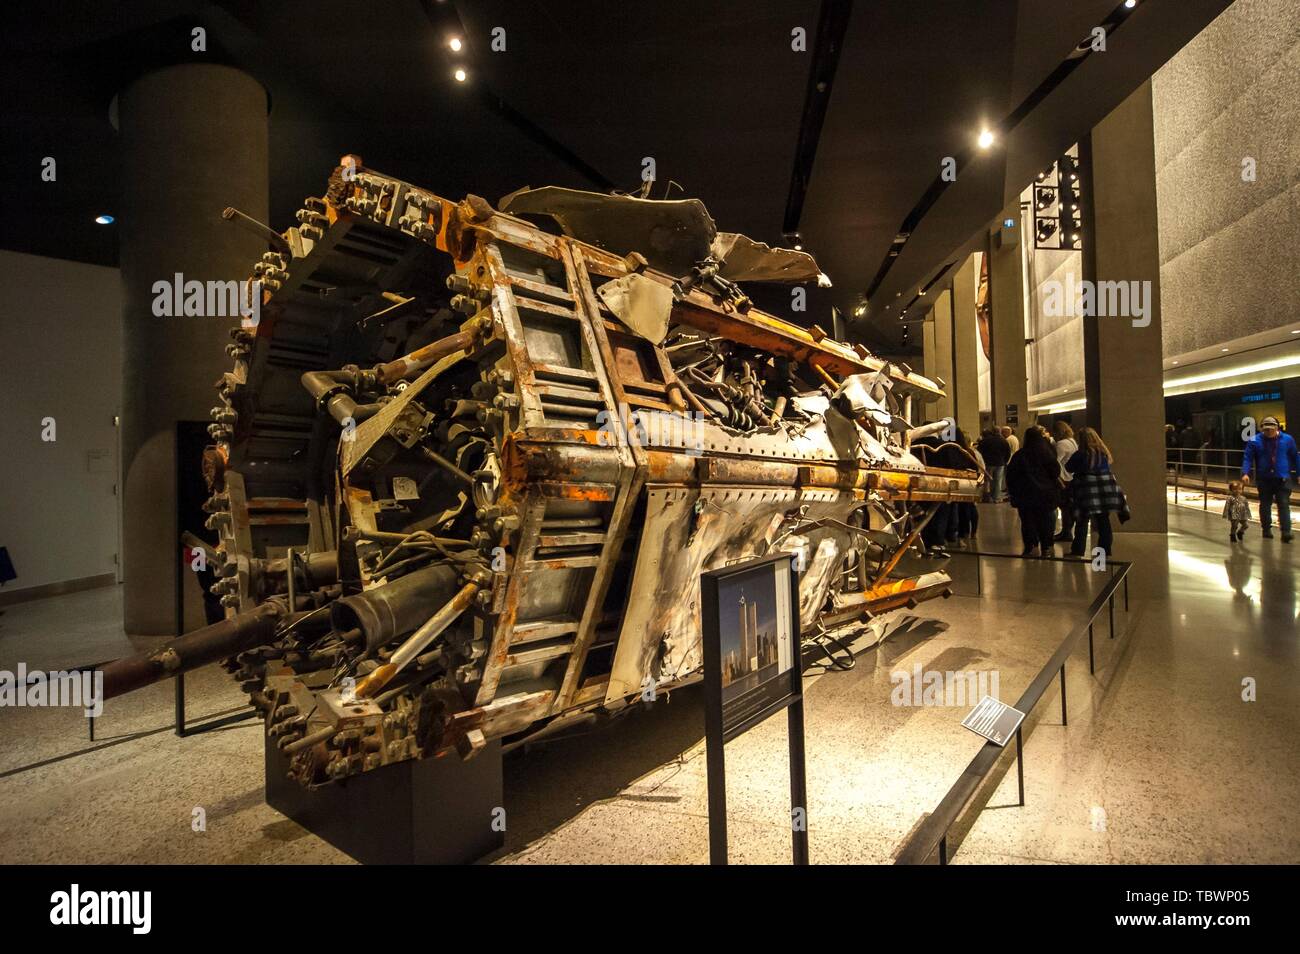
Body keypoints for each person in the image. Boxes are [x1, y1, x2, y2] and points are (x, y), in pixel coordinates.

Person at [1067, 427, 1130, 558]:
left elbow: (1069, 467)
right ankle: (1104, 550)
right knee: (1103, 520)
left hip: (1086, 490)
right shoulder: (1104, 453)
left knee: (1082, 520)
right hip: (1106, 490)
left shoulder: (1080, 454)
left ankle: (1078, 550)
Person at [1240, 415, 1299, 542]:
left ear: (1277, 428)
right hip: (1264, 479)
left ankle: (1286, 532)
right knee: (1265, 505)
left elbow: (1295, 456)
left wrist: (1299, 474)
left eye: (1271, 429)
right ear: (1262, 429)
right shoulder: (1254, 440)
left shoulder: (1287, 439)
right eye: (1266, 430)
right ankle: (1266, 529)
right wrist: (1245, 473)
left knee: (1284, 504)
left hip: (1282, 478)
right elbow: (1248, 457)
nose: (1268, 432)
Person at [1005, 426, 1061, 557]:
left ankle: (1030, 546)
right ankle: (1046, 546)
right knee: (1046, 521)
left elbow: (1011, 475)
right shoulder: (1047, 454)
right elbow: (1055, 472)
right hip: (1045, 494)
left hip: (1025, 494)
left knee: (1027, 522)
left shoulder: (1020, 455)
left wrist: (1013, 491)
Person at [1052, 421, 1078, 542]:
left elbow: (1055, 463)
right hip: (1072, 477)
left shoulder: (1061, 444)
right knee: (1069, 506)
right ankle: (1068, 531)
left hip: (1063, 478)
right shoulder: (1072, 441)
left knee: (1064, 507)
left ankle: (1066, 532)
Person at [977, 427, 1011, 502]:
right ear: (999, 432)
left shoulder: (986, 441)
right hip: (1000, 463)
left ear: (992, 432)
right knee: (998, 481)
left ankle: (987, 497)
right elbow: (1008, 452)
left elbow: (979, 451)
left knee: (987, 481)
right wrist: (1004, 461)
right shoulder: (1004, 441)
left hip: (988, 463)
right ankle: (997, 498)